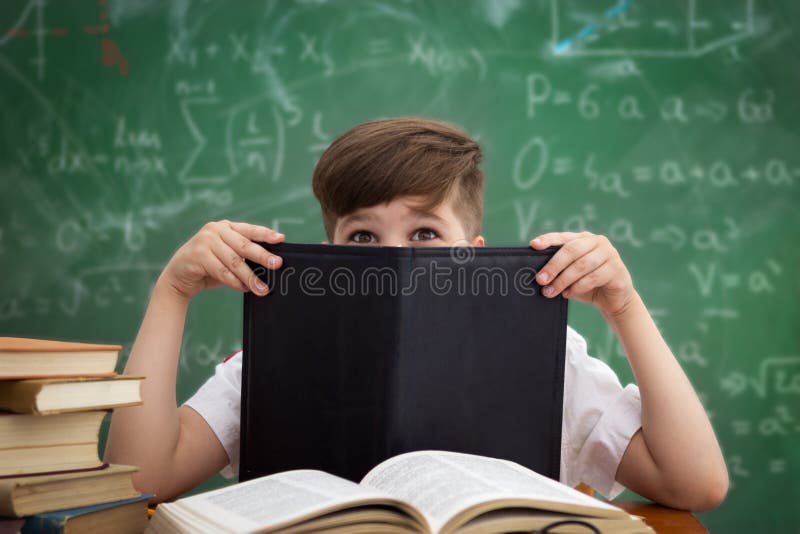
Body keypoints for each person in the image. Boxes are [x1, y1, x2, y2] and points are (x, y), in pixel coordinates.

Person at [104, 117, 728, 510]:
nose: (394, 259)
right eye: (362, 237)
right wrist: (172, 292)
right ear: (329, 252)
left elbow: (696, 484)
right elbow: (137, 484)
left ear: (473, 252)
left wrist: (624, 306)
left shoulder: (548, 362)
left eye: (425, 233)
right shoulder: (275, 358)